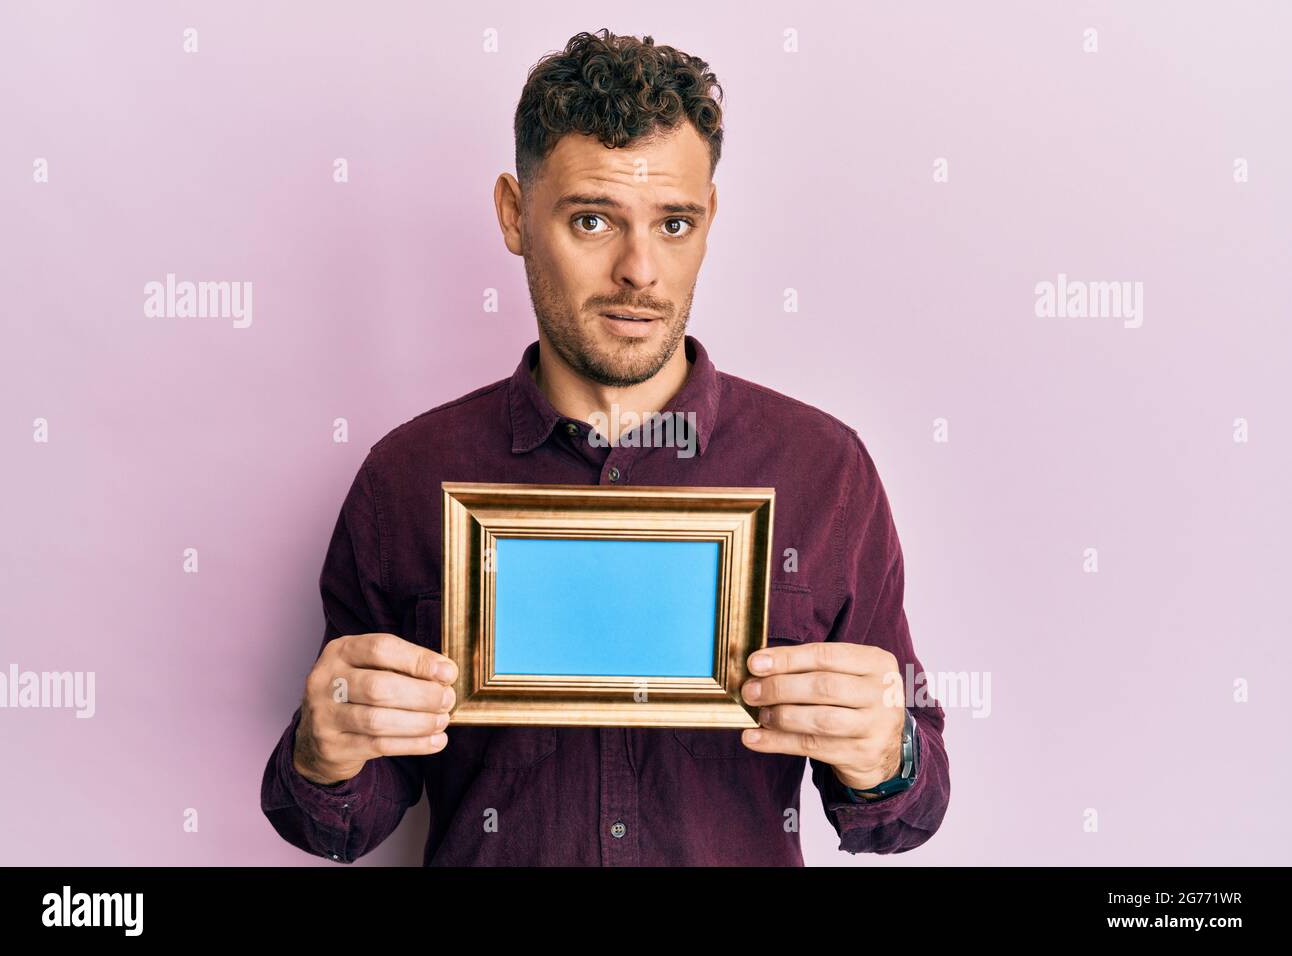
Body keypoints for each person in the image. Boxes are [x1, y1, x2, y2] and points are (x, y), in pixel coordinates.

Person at [260, 28, 949, 866]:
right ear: (515, 215)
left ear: (710, 220)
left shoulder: (824, 470)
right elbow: (340, 823)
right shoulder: (405, 478)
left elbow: (900, 817)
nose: (640, 270)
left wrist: (889, 754)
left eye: (674, 223)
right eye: (593, 220)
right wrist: (322, 752)